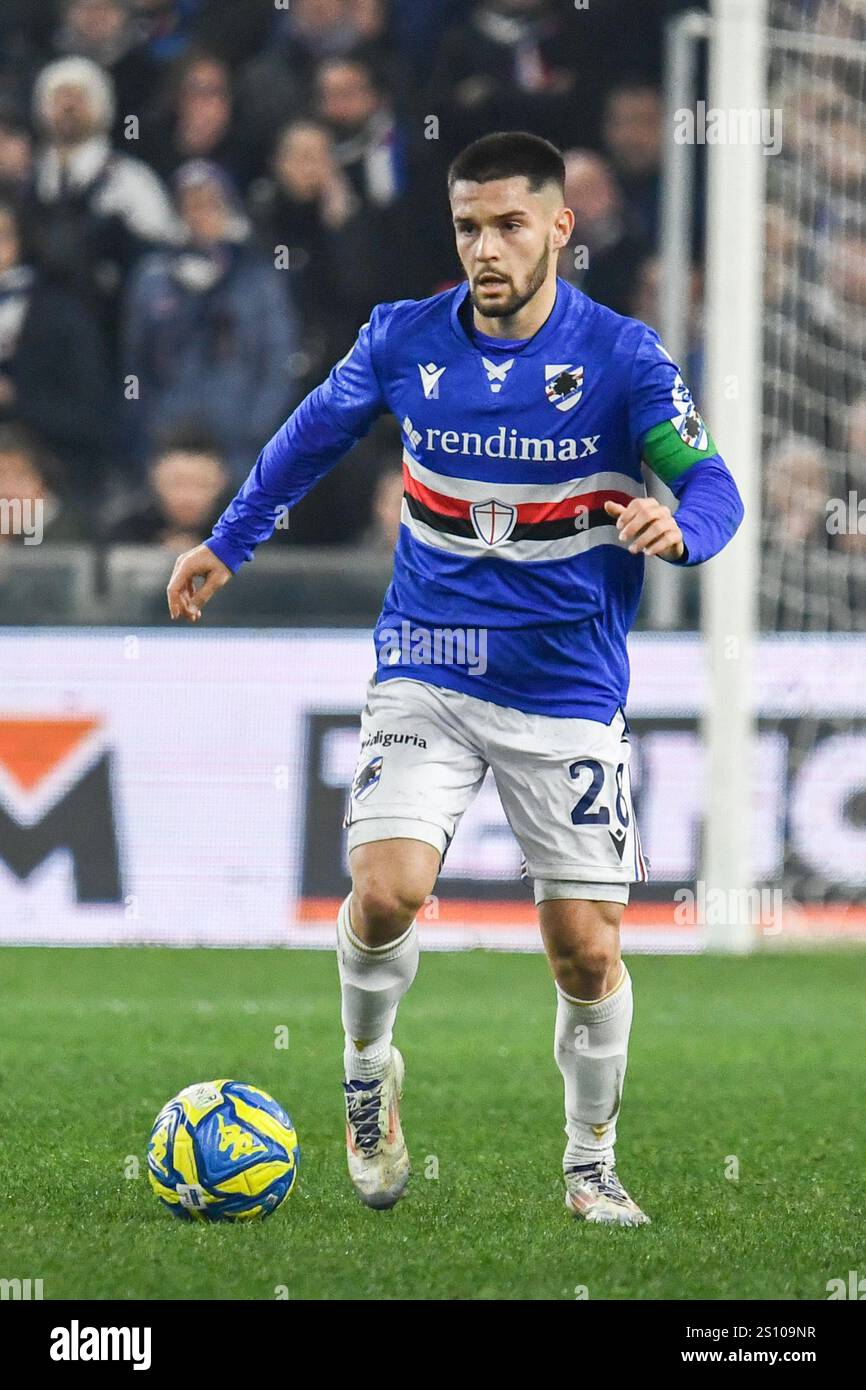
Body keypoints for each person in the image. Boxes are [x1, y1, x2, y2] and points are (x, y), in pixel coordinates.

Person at [166, 132, 744, 1225]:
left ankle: (588, 1161)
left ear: (558, 230)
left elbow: (711, 480)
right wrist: (226, 541)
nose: (486, 247)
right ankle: (365, 1072)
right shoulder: (400, 337)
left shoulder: (622, 359)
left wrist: (684, 526)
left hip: (565, 685)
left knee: (582, 951)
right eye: (468, 226)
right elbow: (305, 441)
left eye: (509, 225)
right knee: (385, 891)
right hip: (423, 664)